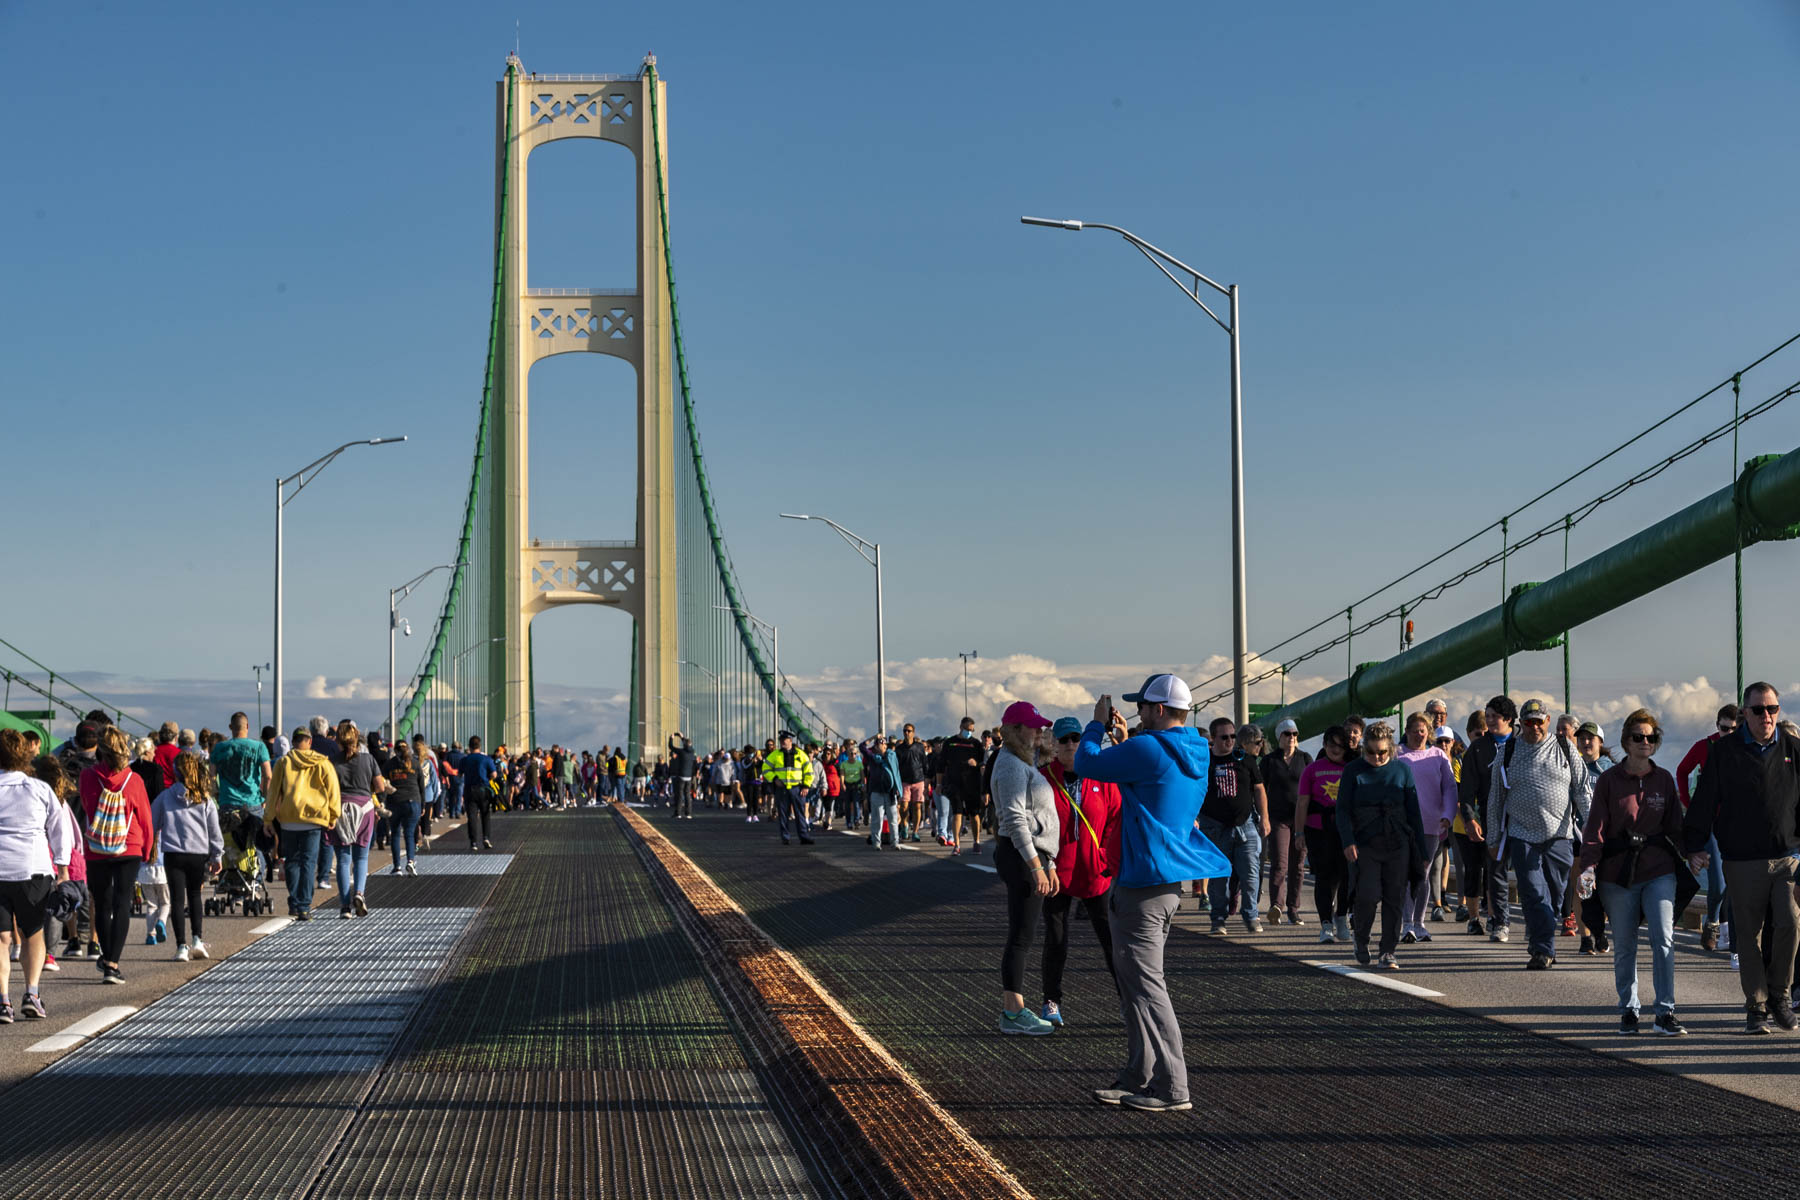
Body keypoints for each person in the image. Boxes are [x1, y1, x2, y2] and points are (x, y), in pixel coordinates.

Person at [1075, 673, 1228, 1114]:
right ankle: (1138, 1076)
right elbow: (1153, 786)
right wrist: (1127, 740)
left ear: (1158, 709)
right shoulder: (1195, 751)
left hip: (1140, 886)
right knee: (1136, 986)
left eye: (1142, 706)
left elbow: (1085, 763)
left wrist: (1096, 726)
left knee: (1146, 986)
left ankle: (1173, 1087)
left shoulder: (1146, 749)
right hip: (1164, 884)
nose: (1138, 712)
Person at [1685, 682, 1800, 1034]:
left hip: (1788, 857)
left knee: (1791, 924)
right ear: (1744, 713)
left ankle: (1780, 993)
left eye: (1773, 709)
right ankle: (1757, 1005)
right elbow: (1704, 800)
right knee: (1749, 935)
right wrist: (1694, 845)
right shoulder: (1724, 752)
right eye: (1759, 710)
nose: (1767, 716)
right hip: (1741, 858)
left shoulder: (1794, 749)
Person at [1578, 708, 1687, 1036]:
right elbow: (1595, 828)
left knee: (1663, 939)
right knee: (1625, 943)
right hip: (1617, 872)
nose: (1645, 742)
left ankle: (1665, 1012)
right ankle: (1629, 1009)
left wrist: (1692, 855)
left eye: (1650, 737)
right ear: (1626, 741)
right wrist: (1588, 868)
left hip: (1658, 869)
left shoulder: (1664, 780)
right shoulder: (1610, 781)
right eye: (1638, 737)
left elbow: (1676, 829)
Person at [1486, 698, 1586, 970]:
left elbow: (1582, 791)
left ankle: (1539, 935)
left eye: (1538, 722)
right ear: (1521, 724)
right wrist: (1493, 839)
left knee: (1554, 896)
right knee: (1532, 891)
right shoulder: (1507, 753)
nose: (1534, 728)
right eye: (1528, 723)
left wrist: (1590, 830)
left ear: (1548, 721)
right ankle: (1543, 950)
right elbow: (1495, 798)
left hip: (1560, 835)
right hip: (1522, 835)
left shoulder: (1565, 748)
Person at [1038, 716, 1121, 1026]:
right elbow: (1034, 824)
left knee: (1111, 939)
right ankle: (1051, 1000)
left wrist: (1105, 855)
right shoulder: (1043, 778)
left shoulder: (1103, 778)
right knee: (1056, 938)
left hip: (1095, 872)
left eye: (1076, 738)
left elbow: (1116, 818)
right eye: (1064, 739)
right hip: (1058, 872)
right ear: (1054, 745)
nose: (1071, 744)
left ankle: (1126, 999)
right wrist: (1045, 864)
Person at [990, 701, 1059, 1036]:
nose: (1039, 732)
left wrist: (1050, 863)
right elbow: (1017, 820)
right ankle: (1013, 1012)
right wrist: (1037, 866)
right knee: (1021, 935)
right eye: (1033, 727)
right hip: (1021, 856)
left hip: (1030, 854)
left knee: (1023, 933)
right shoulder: (1011, 766)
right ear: (1015, 730)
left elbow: (1037, 817)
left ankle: (1013, 1010)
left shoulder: (1021, 762)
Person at [1337, 721, 1427, 969]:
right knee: (1367, 896)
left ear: (1391, 750)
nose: (1376, 757)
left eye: (1382, 753)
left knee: (1394, 898)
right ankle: (1361, 938)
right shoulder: (1353, 771)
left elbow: (1413, 812)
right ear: (1364, 748)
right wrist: (1348, 841)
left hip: (1398, 842)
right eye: (1371, 752)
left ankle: (1388, 950)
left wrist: (1423, 850)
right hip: (1365, 843)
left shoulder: (1402, 771)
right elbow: (1342, 810)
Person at [0, 730, 73, 1020]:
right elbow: (59, 831)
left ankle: (3, 1000)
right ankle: (31, 993)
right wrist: (63, 868)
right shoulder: (39, 789)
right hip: (33, 870)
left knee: (2, 938)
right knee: (32, 934)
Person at [78, 725, 156, 983]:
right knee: (123, 903)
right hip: (128, 846)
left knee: (102, 904)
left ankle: (105, 954)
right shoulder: (133, 780)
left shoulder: (88, 777)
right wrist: (148, 849)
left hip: (97, 848)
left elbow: (89, 809)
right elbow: (145, 817)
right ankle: (112, 963)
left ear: (101, 749)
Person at [1675, 703, 1738, 951]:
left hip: (1736, 823)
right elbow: (1681, 771)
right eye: (1725, 728)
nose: (1729, 734)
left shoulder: (1743, 748)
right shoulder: (1705, 746)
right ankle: (1712, 923)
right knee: (1718, 880)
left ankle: (1728, 928)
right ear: (1717, 726)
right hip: (1710, 822)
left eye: (1735, 729)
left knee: (1738, 879)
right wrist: (1689, 805)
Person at [1197, 717, 1268, 935]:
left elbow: (1259, 789)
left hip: (1245, 825)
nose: (1229, 741)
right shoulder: (1204, 762)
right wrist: (1195, 817)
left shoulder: (1245, 759)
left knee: (1250, 873)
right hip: (1215, 827)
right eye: (1224, 737)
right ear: (1213, 738)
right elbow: (1195, 791)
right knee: (1219, 877)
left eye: (1233, 736)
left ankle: (1252, 915)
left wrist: (1264, 817)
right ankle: (1218, 917)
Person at [150, 751, 223, 961]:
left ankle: (181, 946)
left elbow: (153, 823)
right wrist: (217, 855)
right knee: (195, 896)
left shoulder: (165, 796)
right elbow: (214, 829)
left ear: (175, 772)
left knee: (177, 899)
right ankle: (197, 940)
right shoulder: (205, 799)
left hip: (173, 853)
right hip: (198, 853)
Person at [265, 727, 342, 920]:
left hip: (289, 819)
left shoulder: (283, 763)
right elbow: (333, 791)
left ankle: (294, 900)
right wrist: (333, 815)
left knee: (292, 861)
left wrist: (268, 818)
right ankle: (304, 906)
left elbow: (273, 792)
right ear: (309, 742)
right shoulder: (323, 763)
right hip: (314, 819)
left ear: (293, 742)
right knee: (308, 863)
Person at [1396, 713, 1457, 944]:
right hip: (1402, 824)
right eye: (1415, 729)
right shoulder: (1397, 754)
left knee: (1421, 874)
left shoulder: (1439, 756)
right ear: (1408, 731)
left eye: (1423, 730)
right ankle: (1407, 924)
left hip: (1431, 824)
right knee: (1405, 874)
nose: (1419, 734)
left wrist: (1448, 816)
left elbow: (1450, 789)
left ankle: (1420, 924)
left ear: (1428, 732)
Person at [1459, 697, 1515, 942]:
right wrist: (1470, 818)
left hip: (1522, 819)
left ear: (1508, 718)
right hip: (1490, 819)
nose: (1490, 721)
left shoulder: (1521, 743)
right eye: (1488, 716)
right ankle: (1498, 920)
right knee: (1494, 870)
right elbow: (1467, 789)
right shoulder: (1478, 748)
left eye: (1495, 716)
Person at [1294, 726, 1353, 942]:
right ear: (1324, 745)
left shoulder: (1352, 768)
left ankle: (1341, 917)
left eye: (1339, 745)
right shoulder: (1312, 769)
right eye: (1331, 744)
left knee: (1347, 877)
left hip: (1346, 831)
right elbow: (1302, 802)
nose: (1335, 749)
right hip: (1318, 831)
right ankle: (1326, 924)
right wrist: (1299, 833)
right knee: (1324, 879)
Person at [1260, 719, 1310, 926]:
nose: (1292, 738)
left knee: (1298, 865)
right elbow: (1260, 788)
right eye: (1287, 734)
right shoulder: (1269, 761)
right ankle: (1277, 906)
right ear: (1279, 737)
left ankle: (1293, 908)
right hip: (1278, 818)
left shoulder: (1305, 758)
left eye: (1295, 734)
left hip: (1300, 819)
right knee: (1280, 863)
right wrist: (1263, 816)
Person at [939, 716, 987, 856]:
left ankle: (976, 841)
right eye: (967, 729)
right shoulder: (950, 743)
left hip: (972, 784)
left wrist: (976, 764)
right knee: (957, 813)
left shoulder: (976, 744)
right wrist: (939, 784)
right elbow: (941, 765)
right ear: (961, 727)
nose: (969, 732)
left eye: (972, 730)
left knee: (974, 815)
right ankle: (957, 845)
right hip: (955, 784)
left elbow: (983, 765)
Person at [762, 730, 815, 845]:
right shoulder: (775, 755)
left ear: (790, 741)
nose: (782, 742)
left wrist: (806, 785)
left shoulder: (801, 754)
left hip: (797, 788)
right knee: (783, 814)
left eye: (784, 740)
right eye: (781, 740)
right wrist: (775, 778)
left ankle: (804, 836)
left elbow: (809, 771)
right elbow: (765, 769)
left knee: (800, 813)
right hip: (782, 789)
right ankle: (785, 837)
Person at [382, 740, 423, 876]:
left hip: (395, 801)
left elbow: (382, 784)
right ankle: (410, 861)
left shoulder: (389, 764)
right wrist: (422, 805)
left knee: (395, 834)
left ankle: (397, 867)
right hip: (413, 802)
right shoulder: (415, 763)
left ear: (395, 749)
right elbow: (421, 785)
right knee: (410, 834)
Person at [863, 736, 901, 848]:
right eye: (879, 744)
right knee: (877, 818)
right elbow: (862, 747)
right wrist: (873, 737)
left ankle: (895, 842)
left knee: (893, 819)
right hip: (876, 791)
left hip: (890, 792)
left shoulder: (892, 756)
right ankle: (876, 842)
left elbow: (897, 772)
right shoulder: (872, 757)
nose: (882, 746)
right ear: (875, 747)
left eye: (884, 744)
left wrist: (898, 789)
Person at [460, 735, 497, 849]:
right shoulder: (486, 759)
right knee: (485, 815)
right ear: (480, 746)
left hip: (470, 790)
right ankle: (486, 838)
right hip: (484, 790)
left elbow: (459, 774)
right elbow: (494, 774)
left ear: (469, 746)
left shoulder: (465, 759)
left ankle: (473, 843)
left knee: (472, 817)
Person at [896, 723, 930, 843]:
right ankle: (904, 826)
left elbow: (925, 763)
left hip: (918, 780)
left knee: (917, 806)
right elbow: (897, 767)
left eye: (909, 731)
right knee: (904, 806)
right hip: (904, 781)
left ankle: (915, 831)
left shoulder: (919, 747)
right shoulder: (899, 749)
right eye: (905, 731)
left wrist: (927, 780)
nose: (907, 733)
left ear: (913, 732)